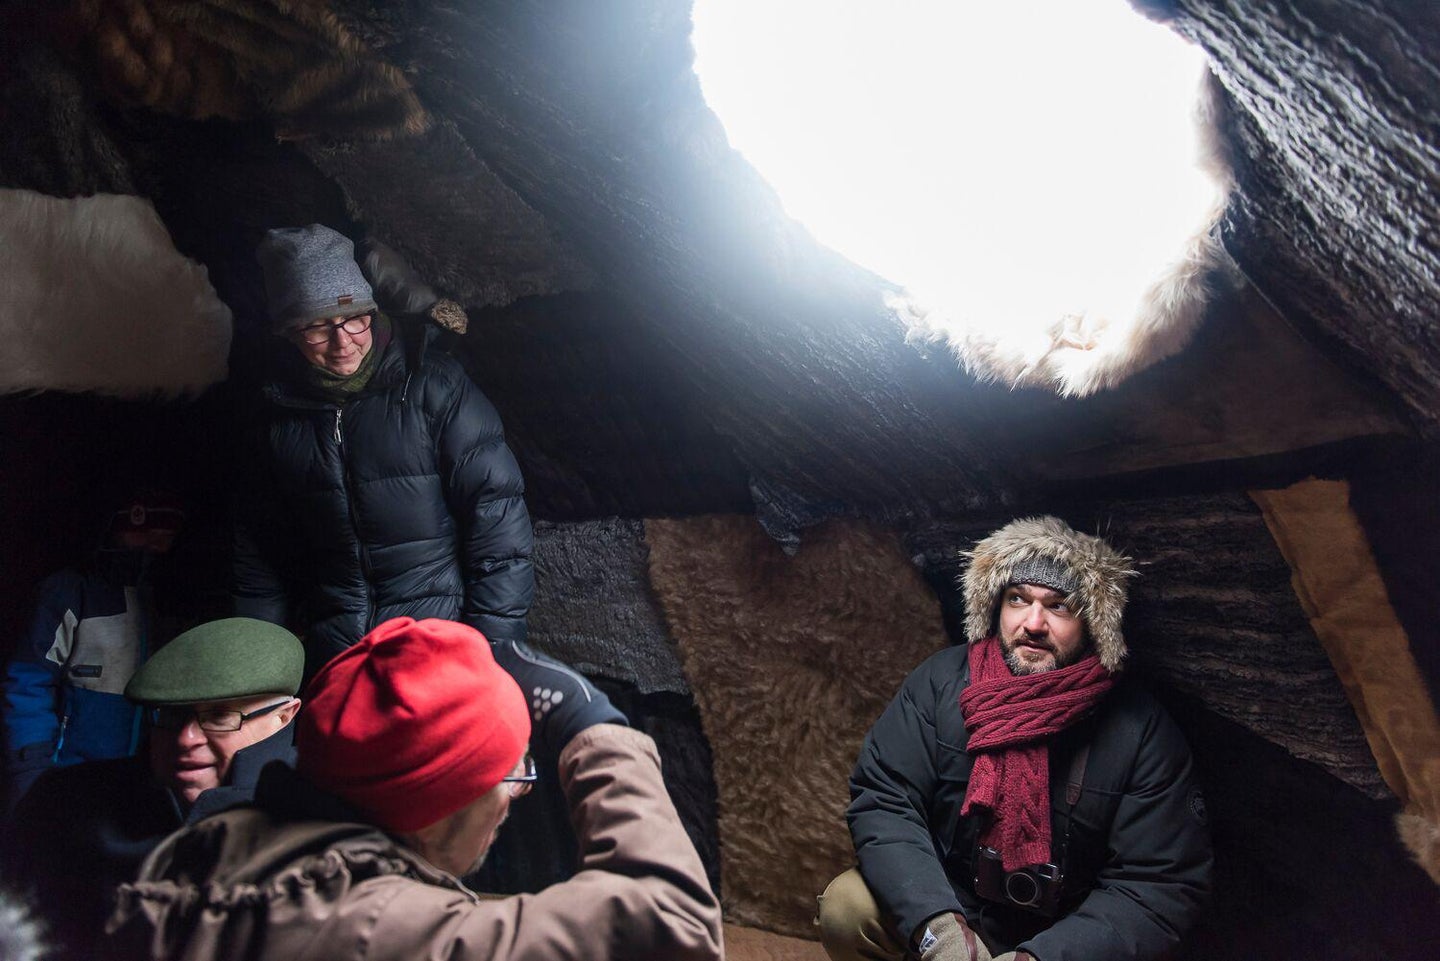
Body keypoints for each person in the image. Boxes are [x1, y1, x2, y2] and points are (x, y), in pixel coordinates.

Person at [109, 617, 725, 961]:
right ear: (434, 812)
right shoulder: (382, 930)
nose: (513, 797)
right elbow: (675, 926)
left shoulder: (212, 838)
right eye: (505, 776)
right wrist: (593, 728)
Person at [818, 516, 1212, 961]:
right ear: (996, 605)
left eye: (1059, 606)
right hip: (952, 906)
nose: (1033, 623)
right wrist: (938, 929)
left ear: (1092, 622)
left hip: (1062, 934)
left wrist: (1040, 958)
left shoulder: (1139, 729)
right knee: (847, 908)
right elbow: (886, 800)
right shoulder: (941, 683)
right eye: (1018, 599)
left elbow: (1158, 883)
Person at [234, 224, 534, 676]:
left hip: (438, 646)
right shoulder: (274, 415)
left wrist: (488, 655)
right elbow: (260, 553)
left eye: (354, 318)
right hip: (337, 658)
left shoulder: (435, 387)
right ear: (288, 333)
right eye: (316, 327)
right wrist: (259, 675)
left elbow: (499, 528)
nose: (343, 341)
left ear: (372, 311)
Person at [4, 617, 303, 960]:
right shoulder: (65, 802)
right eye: (171, 715)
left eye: (219, 716)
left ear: (284, 716)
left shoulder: (316, 830)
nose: (186, 739)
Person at [3, 490, 183, 807]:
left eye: (166, 534)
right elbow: (27, 685)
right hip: (67, 776)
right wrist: (32, 773)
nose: (157, 544)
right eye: (145, 531)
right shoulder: (68, 591)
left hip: (139, 780)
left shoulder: (165, 596)